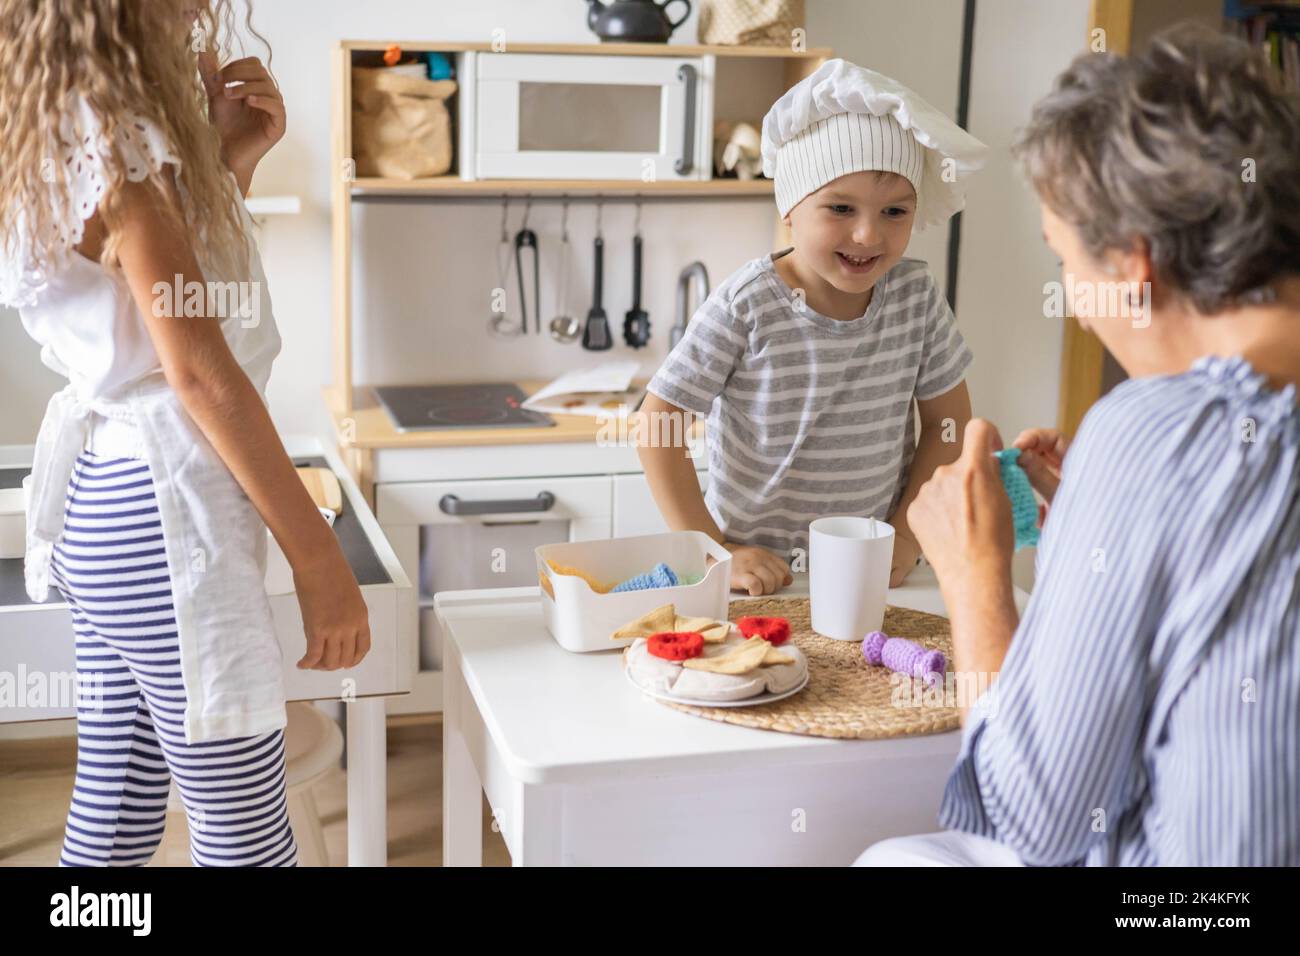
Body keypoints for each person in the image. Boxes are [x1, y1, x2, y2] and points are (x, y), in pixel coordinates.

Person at [858, 24, 1300, 866]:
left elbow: (1035, 821)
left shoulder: (1151, 430)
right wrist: (1092, 540)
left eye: (1065, 261)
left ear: (1133, 261)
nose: (1077, 301)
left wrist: (974, 579)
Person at [0, 0, 371, 866]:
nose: (206, 7)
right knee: (245, 833)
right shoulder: (121, 143)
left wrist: (223, 164)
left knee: (118, 809)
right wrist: (322, 564)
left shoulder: (51, 120)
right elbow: (199, 372)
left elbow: (153, 311)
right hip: (164, 526)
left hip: (105, 509)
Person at [637, 59, 987, 595]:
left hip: (869, 571)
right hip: (755, 578)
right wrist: (715, 552)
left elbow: (950, 425)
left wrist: (909, 538)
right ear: (791, 209)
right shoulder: (746, 304)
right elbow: (656, 427)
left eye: (895, 212)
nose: (869, 234)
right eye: (840, 208)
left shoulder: (916, 297)